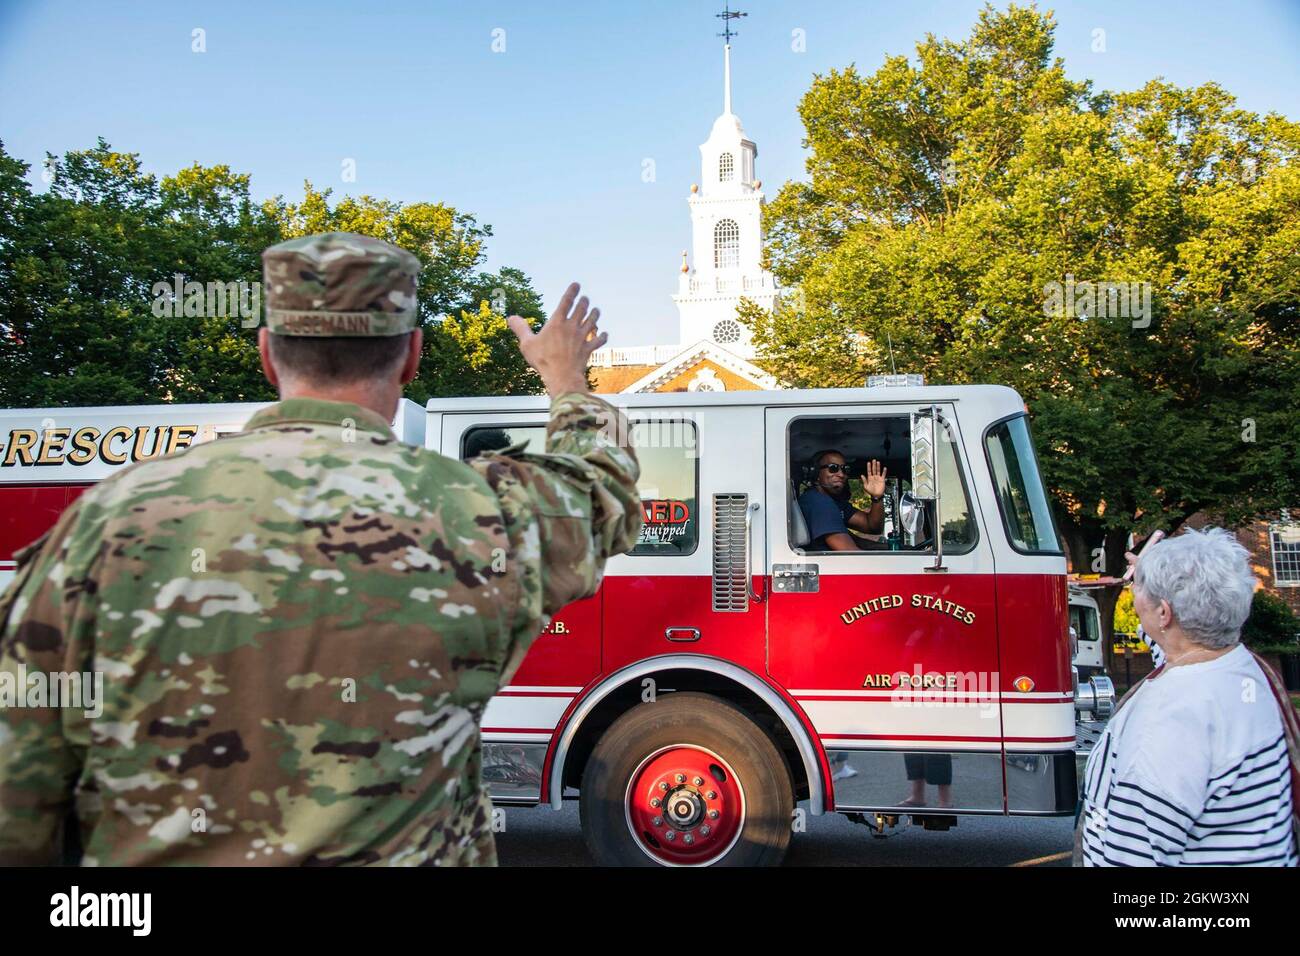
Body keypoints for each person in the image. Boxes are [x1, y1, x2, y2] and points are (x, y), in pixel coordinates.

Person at [0, 232, 642, 866]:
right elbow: (596, 490)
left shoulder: (106, 521)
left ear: (267, 355)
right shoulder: (475, 511)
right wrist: (565, 376)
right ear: (412, 356)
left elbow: (18, 791)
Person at [1078, 528, 1298, 866]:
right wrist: (1149, 580)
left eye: (1142, 594)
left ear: (1164, 613)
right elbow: (1173, 641)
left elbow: (1134, 858)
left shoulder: (1169, 722)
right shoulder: (1242, 669)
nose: (1135, 598)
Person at [797, 450, 886, 551]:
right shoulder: (819, 503)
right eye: (833, 468)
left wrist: (877, 497)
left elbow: (873, 527)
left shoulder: (835, 503)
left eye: (844, 469)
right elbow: (849, 552)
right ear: (816, 474)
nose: (841, 474)